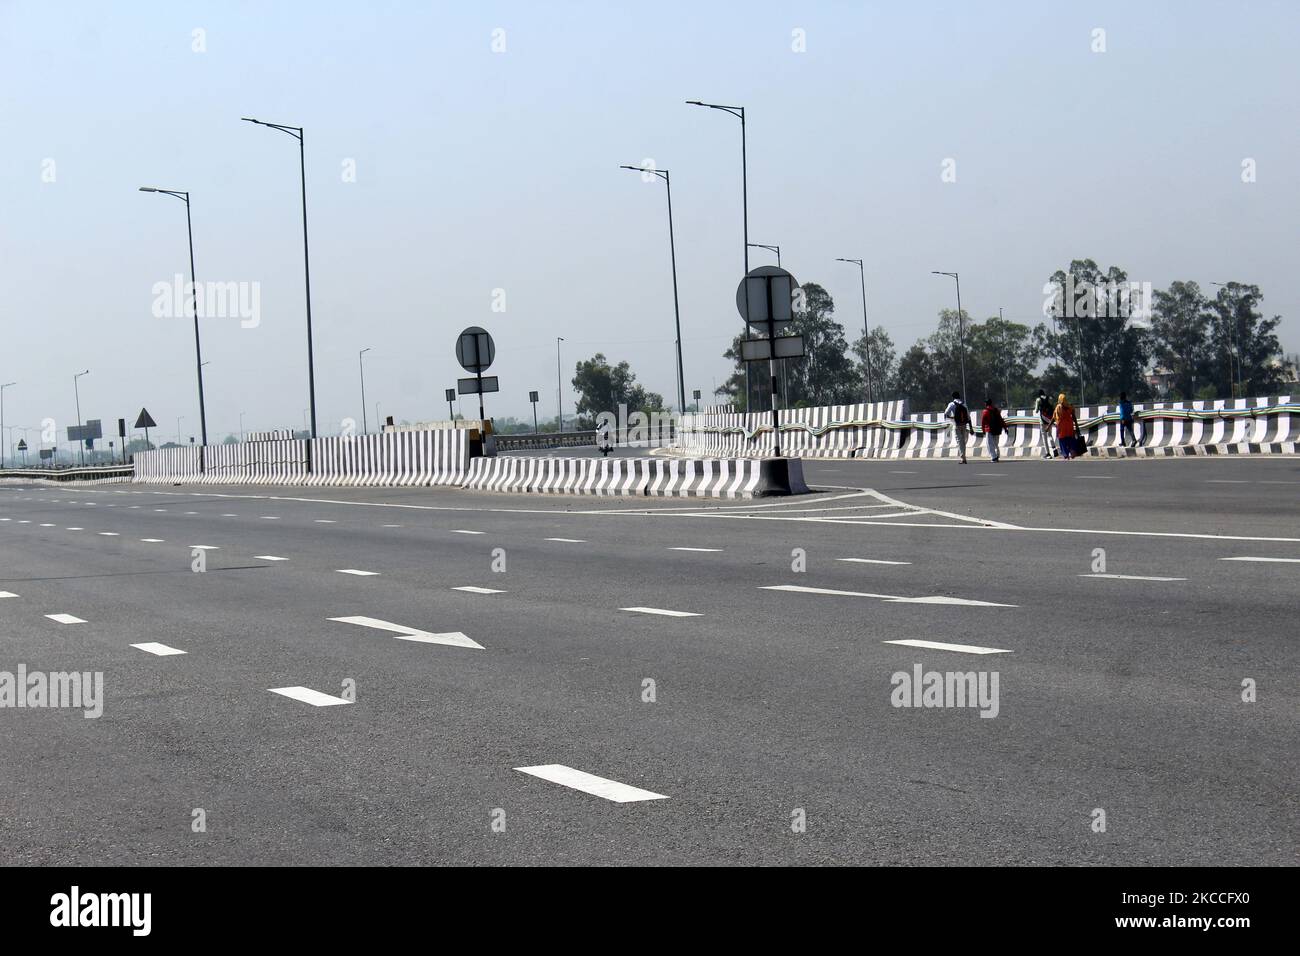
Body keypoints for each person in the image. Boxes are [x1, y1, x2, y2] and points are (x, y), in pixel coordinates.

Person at [943, 391, 972, 464]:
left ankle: (963, 458)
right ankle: (964, 456)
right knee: (963, 441)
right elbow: (968, 417)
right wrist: (971, 428)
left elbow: (946, 413)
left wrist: (951, 417)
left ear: (953, 397)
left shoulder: (951, 404)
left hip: (956, 424)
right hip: (964, 424)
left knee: (959, 441)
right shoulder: (964, 404)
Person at [981, 398, 1006, 463]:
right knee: (996, 444)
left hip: (989, 430)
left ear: (986, 404)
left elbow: (983, 422)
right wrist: (1005, 428)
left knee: (989, 444)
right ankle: (997, 455)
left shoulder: (985, 411)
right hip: (997, 429)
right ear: (991, 403)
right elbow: (1001, 419)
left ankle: (994, 457)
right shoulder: (996, 410)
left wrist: (983, 430)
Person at [1053, 392, 1078, 459]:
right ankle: (1072, 450)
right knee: (1071, 439)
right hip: (1069, 426)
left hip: (1061, 427)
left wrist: (1049, 426)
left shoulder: (1058, 407)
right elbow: (1074, 416)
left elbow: (1054, 417)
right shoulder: (1069, 406)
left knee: (1062, 441)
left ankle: (1065, 454)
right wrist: (1077, 426)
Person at [1034, 388, 1057, 459]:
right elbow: (1053, 408)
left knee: (1044, 437)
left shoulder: (1038, 400)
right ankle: (1054, 448)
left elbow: (1036, 411)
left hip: (1042, 420)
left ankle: (1048, 453)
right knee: (1050, 435)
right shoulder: (1049, 398)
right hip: (1049, 420)